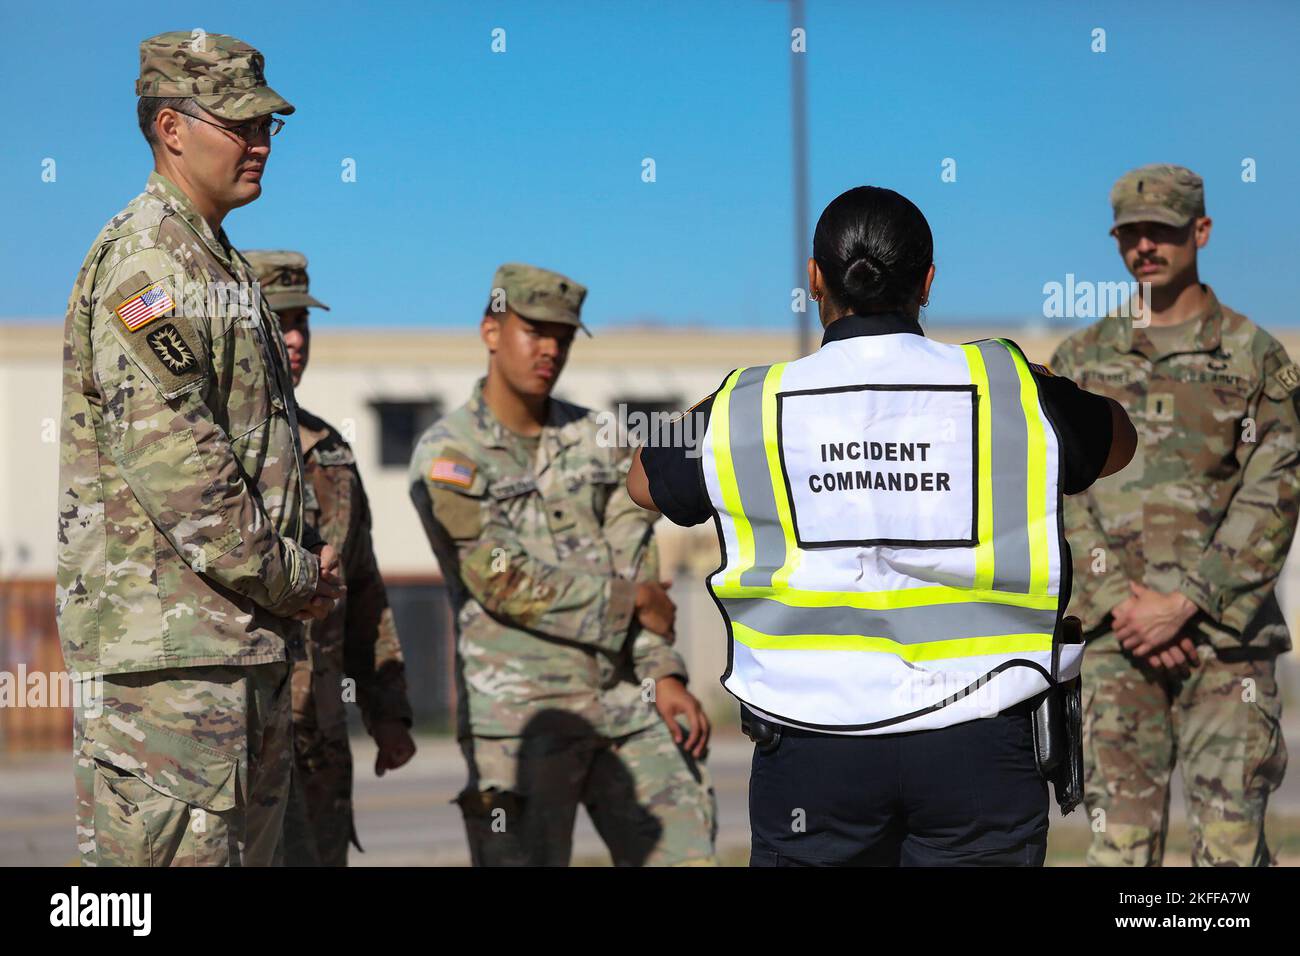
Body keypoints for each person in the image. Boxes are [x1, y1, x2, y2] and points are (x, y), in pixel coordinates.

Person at [630, 186, 1136, 866]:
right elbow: (1120, 441)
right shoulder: (1009, 385)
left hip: (813, 756)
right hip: (978, 749)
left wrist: (726, 396)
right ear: (927, 282)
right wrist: (1038, 377)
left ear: (814, 278)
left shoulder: (749, 406)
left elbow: (643, 479)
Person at [56, 31, 342, 867]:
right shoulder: (148, 264)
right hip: (173, 672)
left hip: (230, 651)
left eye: (267, 128)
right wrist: (293, 575)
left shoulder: (214, 262)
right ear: (172, 128)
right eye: (240, 124)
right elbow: (183, 473)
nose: (259, 143)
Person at [408, 263, 717, 866]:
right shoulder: (449, 455)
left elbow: (639, 564)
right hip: (518, 724)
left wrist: (665, 672)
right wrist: (626, 603)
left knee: (689, 855)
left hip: (625, 704)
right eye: (535, 330)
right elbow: (499, 577)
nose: (551, 348)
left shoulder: (601, 441)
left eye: (565, 336)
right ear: (491, 330)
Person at [1050, 164, 1298, 867]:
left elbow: (1275, 489)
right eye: (1130, 234)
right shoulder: (1080, 360)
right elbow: (1059, 491)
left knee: (1232, 850)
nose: (1145, 247)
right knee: (1118, 852)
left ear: (1201, 230)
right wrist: (1123, 605)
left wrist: (1186, 601)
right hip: (1115, 643)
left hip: (1226, 646)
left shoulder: (1258, 360)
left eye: (1161, 230)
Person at [244, 250, 417, 866]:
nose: (294, 339)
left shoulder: (331, 454)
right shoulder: (207, 445)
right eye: (279, 321)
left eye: (304, 325)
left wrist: (387, 710)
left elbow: (364, 591)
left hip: (318, 742)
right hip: (238, 737)